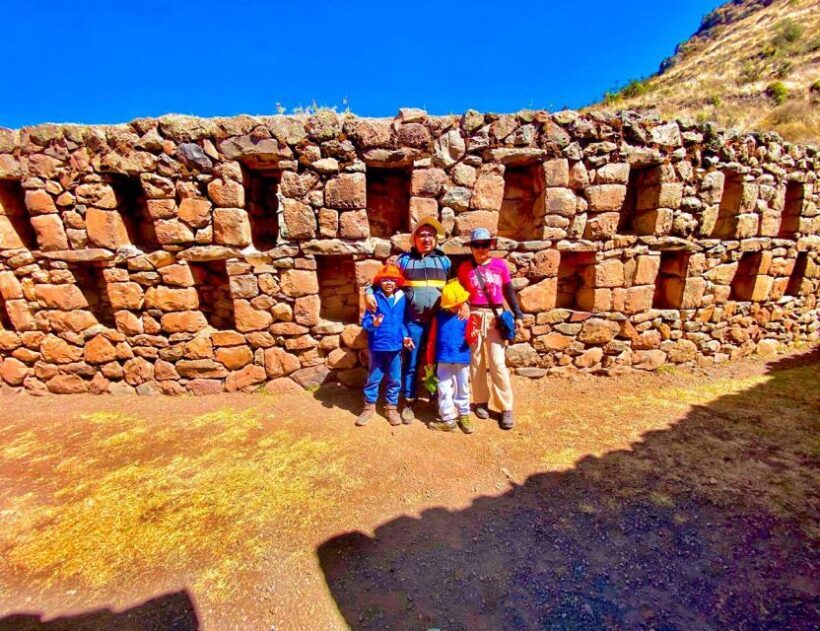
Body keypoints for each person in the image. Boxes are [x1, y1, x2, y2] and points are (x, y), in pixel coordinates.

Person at [364, 217, 468, 424]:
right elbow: (384, 280)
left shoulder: (444, 261)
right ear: (414, 238)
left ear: (435, 239)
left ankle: (437, 399)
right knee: (411, 363)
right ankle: (409, 402)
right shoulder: (403, 261)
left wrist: (464, 303)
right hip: (413, 322)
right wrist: (367, 293)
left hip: (440, 322)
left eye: (431, 235)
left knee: (438, 361)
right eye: (422, 235)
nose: (427, 239)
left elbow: (455, 285)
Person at [457, 227, 524, 430]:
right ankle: (480, 401)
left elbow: (508, 291)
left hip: (495, 316)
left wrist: (518, 314)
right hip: (474, 315)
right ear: (471, 247)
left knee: (497, 362)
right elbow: (460, 291)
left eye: (484, 245)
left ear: (490, 246)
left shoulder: (500, 265)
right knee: (476, 361)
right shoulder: (464, 268)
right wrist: (463, 304)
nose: (481, 249)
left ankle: (505, 407)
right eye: (476, 245)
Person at [357, 264, 413, 427]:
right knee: (373, 378)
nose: (389, 283)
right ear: (379, 282)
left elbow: (402, 323)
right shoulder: (374, 298)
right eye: (385, 280)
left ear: (397, 282)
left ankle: (391, 408)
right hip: (378, 346)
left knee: (395, 379)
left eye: (392, 280)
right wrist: (373, 324)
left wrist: (405, 337)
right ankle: (369, 407)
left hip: (395, 347)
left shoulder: (402, 299)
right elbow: (366, 322)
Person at [425, 279, 475, 434]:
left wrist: (473, 335)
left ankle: (464, 414)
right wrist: (429, 359)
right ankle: (448, 418)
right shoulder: (438, 317)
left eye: (457, 304)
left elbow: (470, 338)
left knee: (463, 386)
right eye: (452, 305)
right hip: (443, 357)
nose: (454, 307)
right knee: (444, 387)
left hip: (461, 357)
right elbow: (432, 339)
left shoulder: (467, 316)